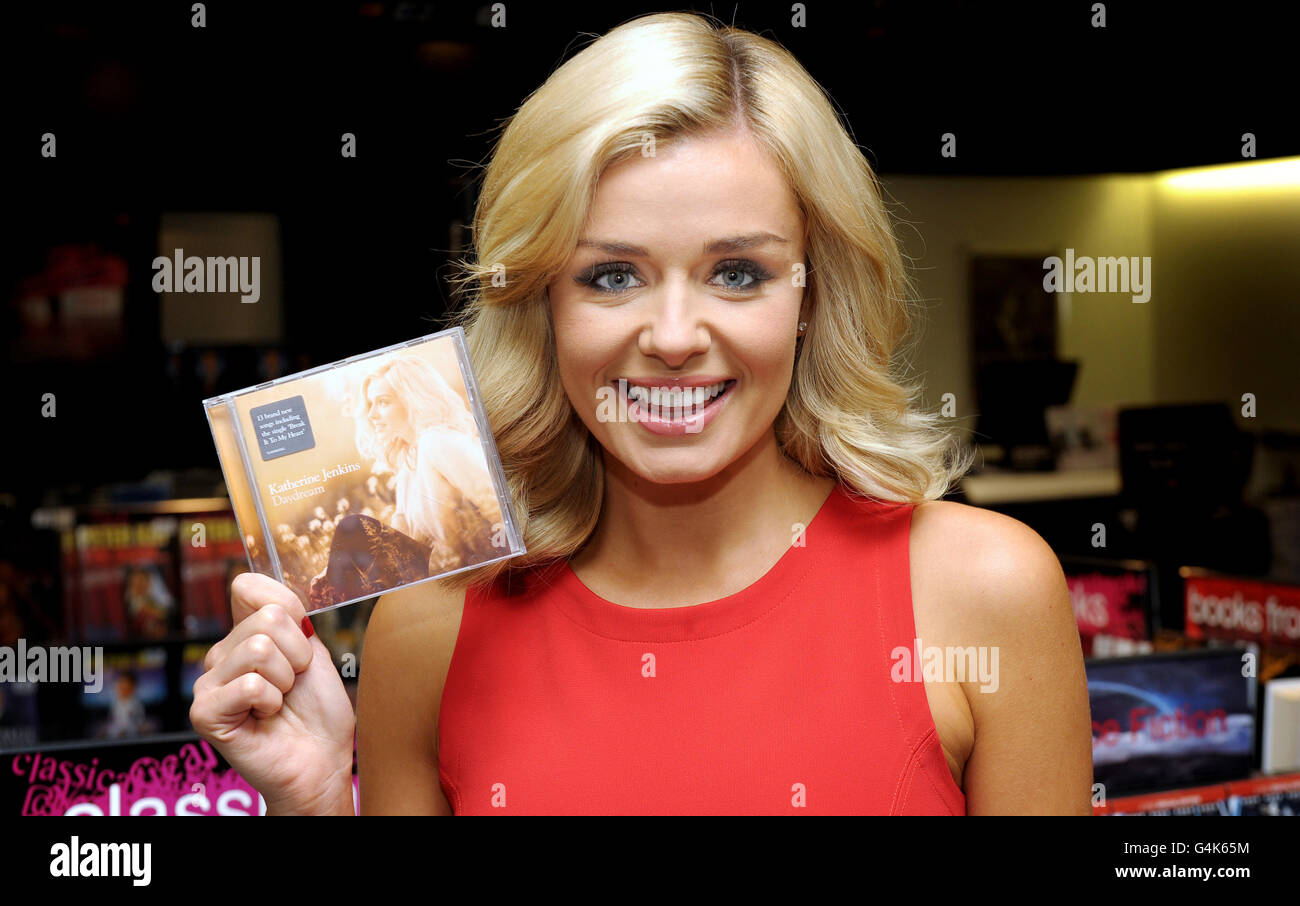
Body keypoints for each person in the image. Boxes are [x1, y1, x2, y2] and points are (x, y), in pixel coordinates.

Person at [191, 12, 1092, 815]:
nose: (671, 336)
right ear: (542, 304)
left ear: (813, 295)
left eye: (737, 273)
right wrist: (313, 807)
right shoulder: (431, 625)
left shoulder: (984, 592)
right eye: (611, 275)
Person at [306, 354, 503, 607]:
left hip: (476, 584)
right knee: (350, 541)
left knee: (352, 528)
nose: (372, 414)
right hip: (436, 589)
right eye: (370, 404)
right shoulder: (408, 463)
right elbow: (402, 542)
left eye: (383, 402)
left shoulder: (439, 442)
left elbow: (497, 506)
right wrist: (333, 568)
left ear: (412, 400)